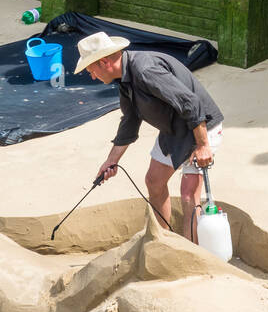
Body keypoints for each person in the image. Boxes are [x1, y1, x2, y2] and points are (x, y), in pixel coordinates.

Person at [76, 31, 224, 243]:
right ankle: (163, 242)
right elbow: (130, 121)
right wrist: (111, 161)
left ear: (105, 62)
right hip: (173, 129)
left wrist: (202, 146)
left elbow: (190, 103)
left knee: (189, 194)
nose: (92, 76)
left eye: (91, 70)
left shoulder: (145, 70)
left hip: (201, 127)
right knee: (154, 181)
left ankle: (193, 253)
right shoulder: (125, 80)